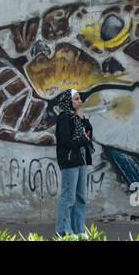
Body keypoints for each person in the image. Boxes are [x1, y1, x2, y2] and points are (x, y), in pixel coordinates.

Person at [53, 89, 94, 237]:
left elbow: (89, 132)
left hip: (81, 159)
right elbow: (66, 141)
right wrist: (84, 140)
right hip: (70, 160)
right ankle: (64, 231)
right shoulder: (64, 118)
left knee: (80, 196)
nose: (79, 101)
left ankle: (79, 230)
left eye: (79, 99)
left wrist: (83, 119)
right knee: (68, 197)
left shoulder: (76, 118)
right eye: (76, 99)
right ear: (68, 101)